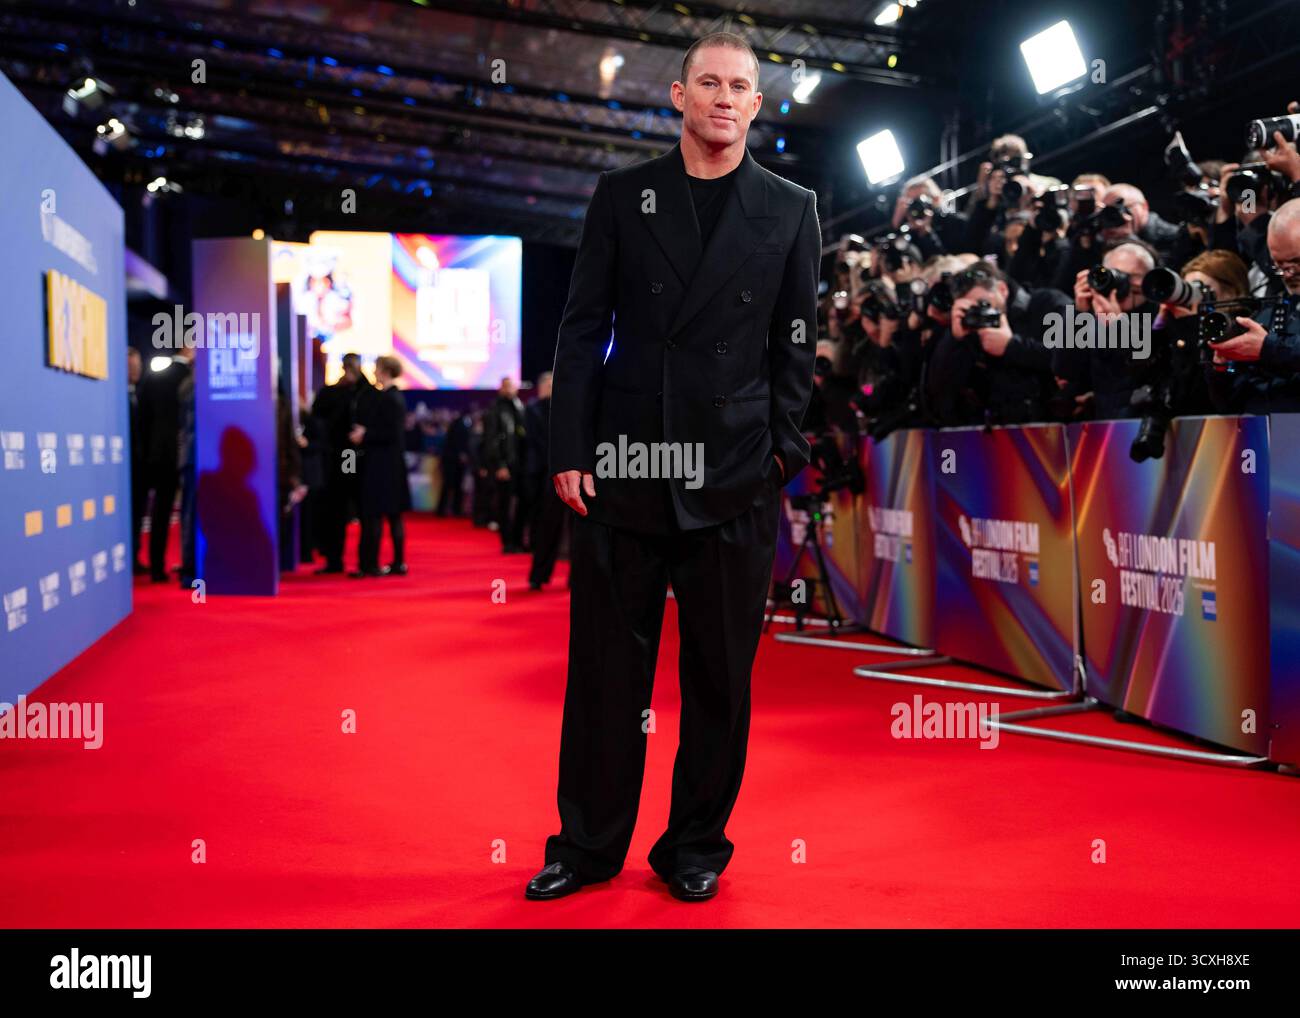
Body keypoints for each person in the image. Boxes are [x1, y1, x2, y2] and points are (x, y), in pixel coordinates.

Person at [526, 31, 818, 904]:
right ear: (679, 96)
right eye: (709, 83)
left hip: (735, 475)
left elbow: (794, 342)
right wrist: (570, 448)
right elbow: (581, 331)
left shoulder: (790, 206)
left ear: (756, 106)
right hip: (625, 466)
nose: (724, 98)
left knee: (721, 679)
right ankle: (584, 848)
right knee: (606, 675)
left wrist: (782, 450)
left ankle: (695, 844)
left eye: (741, 86)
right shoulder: (623, 197)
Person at [349, 355, 410, 577]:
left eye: (376, 368)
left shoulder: (389, 399)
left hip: (382, 467)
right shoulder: (392, 397)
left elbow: (391, 433)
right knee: (393, 515)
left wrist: (366, 434)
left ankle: (372, 564)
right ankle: (396, 562)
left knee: (375, 514)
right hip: (389, 465)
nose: (374, 371)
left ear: (385, 370)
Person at [137, 344, 192, 582]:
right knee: (187, 509)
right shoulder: (190, 378)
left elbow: (142, 416)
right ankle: (188, 564)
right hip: (183, 452)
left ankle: (157, 566)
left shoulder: (154, 376)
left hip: (154, 453)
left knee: (159, 510)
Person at [311, 352, 371, 573]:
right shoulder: (334, 393)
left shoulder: (362, 392)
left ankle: (362, 561)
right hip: (339, 455)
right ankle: (335, 558)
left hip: (350, 456)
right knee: (336, 505)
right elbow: (318, 418)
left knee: (348, 502)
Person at [524, 372, 566, 590]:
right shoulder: (532, 410)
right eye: (547, 384)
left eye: (553, 384)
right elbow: (534, 443)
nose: (550, 387)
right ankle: (539, 575)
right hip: (546, 476)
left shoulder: (565, 408)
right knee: (546, 526)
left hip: (569, 472)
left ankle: (577, 578)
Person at [480, 377, 527, 553]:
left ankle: (518, 540)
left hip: (520, 464)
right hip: (505, 464)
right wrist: (500, 464)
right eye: (506, 386)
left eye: (512, 386)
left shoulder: (519, 406)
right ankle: (507, 542)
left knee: (522, 503)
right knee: (505, 504)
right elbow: (491, 440)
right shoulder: (495, 410)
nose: (509, 389)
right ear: (501, 388)